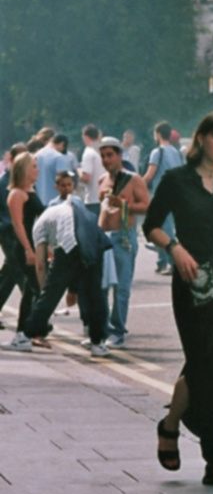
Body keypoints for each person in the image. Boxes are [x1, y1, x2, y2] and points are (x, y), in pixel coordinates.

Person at [143, 111, 213, 488]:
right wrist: (175, 249)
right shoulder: (176, 179)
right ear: (201, 138)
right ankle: (172, 425)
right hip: (192, 284)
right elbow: (150, 224)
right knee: (203, 363)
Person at [3, 172, 112, 357]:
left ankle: (25, 336)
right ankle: (97, 342)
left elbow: (40, 266)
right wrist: (73, 289)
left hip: (69, 241)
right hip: (95, 239)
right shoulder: (63, 209)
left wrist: (43, 290)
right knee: (95, 294)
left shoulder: (38, 227)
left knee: (50, 294)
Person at [97, 137, 150, 349]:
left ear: (119, 155)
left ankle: (117, 331)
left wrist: (123, 204)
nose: (106, 159)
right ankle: (100, 330)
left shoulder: (133, 179)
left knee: (121, 288)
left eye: (110, 155)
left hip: (123, 237)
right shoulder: (102, 180)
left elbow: (147, 206)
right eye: (102, 156)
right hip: (104, 238)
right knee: (100, 287)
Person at [0, 153, 46, 350]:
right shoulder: (16, 194)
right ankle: (27, 332)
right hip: (24, 248)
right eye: (34, 166)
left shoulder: (31, 190)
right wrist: (28, 249)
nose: (38, 170)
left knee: (30, 291)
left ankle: (22, 335)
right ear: (25, 169)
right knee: (36, 289)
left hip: (36, 246)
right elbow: (18, 225)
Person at [143, 122, 185, 274]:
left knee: (164, 231)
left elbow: (150, 174)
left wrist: (134, 185)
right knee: (161, 228)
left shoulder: (157, 152)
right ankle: (162, 261)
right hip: (176, 196)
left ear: (159, 134)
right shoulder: (177, 152)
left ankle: (174, 264)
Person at [34, 133, 72, 206]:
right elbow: (63, 180)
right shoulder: (59, 157)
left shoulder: (36, 155)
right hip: (56, 202)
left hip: (39, 201)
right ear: (62, 144)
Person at [78, 125, 103, 214]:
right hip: (105, 198)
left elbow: (86, 178)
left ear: (86, 137)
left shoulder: (88, 152)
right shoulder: (103, 151)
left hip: (93, 199)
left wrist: (78, 170)